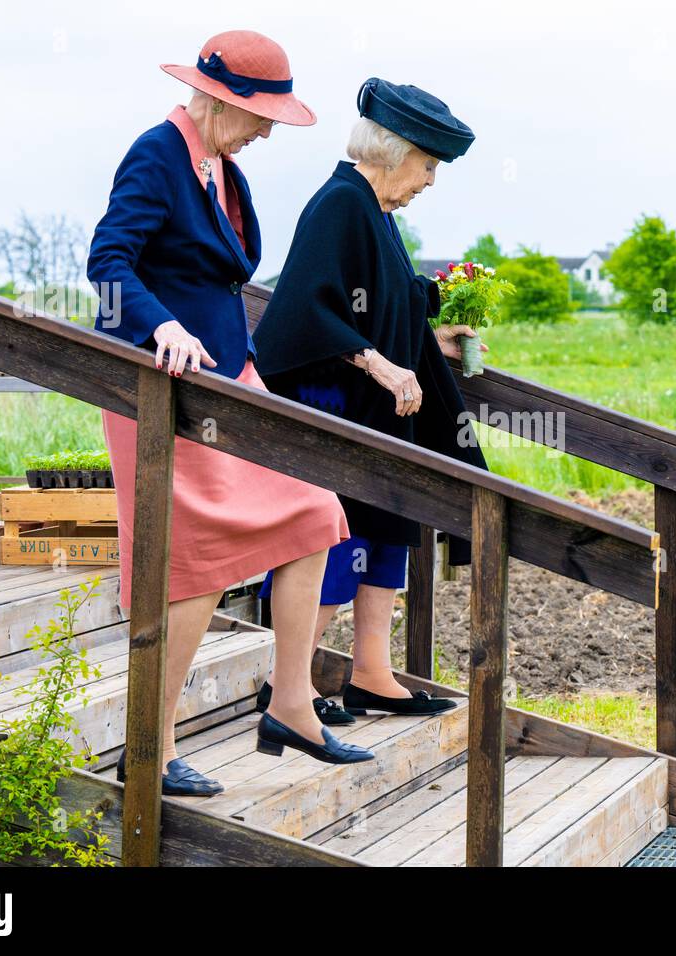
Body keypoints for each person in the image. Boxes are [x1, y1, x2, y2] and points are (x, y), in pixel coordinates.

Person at [86, 31, 375, 796]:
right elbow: (107, 265)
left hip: (228, 379)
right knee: (195, 564)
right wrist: (161, 325)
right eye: (261, 115)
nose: (269, 131)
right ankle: (149, 741)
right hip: (162, 387)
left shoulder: (223, 167)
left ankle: (290, 705)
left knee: (316, 514)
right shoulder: (157, 154)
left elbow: (220, 277)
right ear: (217, 100)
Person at [252, 78, 489, 721]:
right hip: (335, 404)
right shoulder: (339, 204)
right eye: (429, 164)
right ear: (394, 150)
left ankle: (371, 674)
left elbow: (383, 302)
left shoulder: (376, 212)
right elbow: (305, 310)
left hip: (378, 407)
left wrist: (425, 338)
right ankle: (285, 685)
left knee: (389, 527)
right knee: (339, 536)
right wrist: (378, 361)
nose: (431, 181)